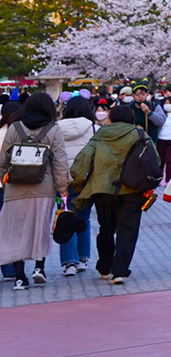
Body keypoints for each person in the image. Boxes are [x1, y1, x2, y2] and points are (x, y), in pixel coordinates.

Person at [67, 101, 150, 283]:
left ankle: (105, 266)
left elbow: (83, 160)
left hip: (103, 190)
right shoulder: (139, 134)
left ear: (111, 118)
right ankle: (119, 271)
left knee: (106, 228)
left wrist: (78, 183)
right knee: (127, 230)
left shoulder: (100, 135)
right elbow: (154, 159)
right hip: (132, 189)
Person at [0, 90, 69, 289]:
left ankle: (20, 277)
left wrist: (5, 181)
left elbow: (3, 159)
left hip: (15, 188)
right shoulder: (53, 129)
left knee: (14, 232)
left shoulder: (15, 127)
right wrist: (62, 188)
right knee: (39, 229)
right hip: (43, 188)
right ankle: (39, 268)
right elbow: (60, 162)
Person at [51, 95, 96, 274]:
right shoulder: (94, 129)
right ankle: (83, 259)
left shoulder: (55, 129)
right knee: (84, 218)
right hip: (86, 182)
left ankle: (69, 263)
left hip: (61, 182)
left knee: (65, 217)